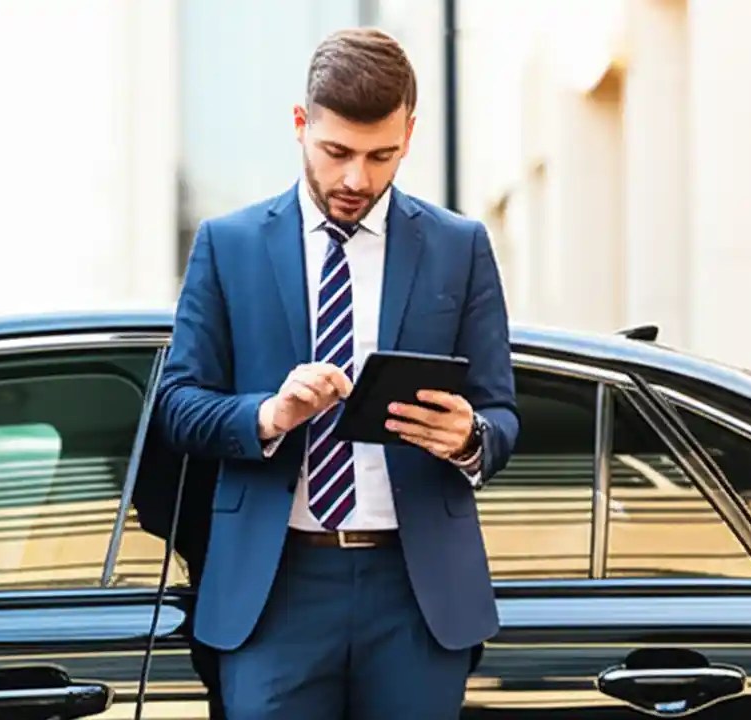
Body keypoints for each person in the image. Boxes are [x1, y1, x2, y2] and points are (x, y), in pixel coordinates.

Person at [157, 26, 518, 719]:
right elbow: (176, 404)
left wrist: (469, 436)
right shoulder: (227, 246)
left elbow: (502, 412)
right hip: (276, 588)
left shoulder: (459, 247)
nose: (357, 179)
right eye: (337, 152)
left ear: (410, 134)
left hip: (415, 593)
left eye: (382, 155)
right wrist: (269, 415)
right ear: (300, 125)